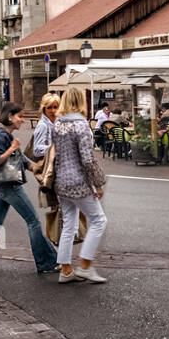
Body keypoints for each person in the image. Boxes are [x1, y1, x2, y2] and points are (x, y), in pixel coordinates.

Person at [0, 102, 60, 276]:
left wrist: (33, 167)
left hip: (2, 184)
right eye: (20, 116)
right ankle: (46, 262)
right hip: (9, 185)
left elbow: (19, 158)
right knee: (33, 222)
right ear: (10, 117)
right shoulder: (1, 135)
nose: (22, 120)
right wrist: (12, 149)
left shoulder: (7, 135)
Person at [51, 86, 109, 284]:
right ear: (81, 101)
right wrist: (99, 183)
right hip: (78, 182)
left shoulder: (57, 123)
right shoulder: (81, 124)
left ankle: (66, 270)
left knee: (69, 224)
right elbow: (87, 158)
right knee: (99, 220)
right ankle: (85, 265)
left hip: (61, 181)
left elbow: (56, 153)